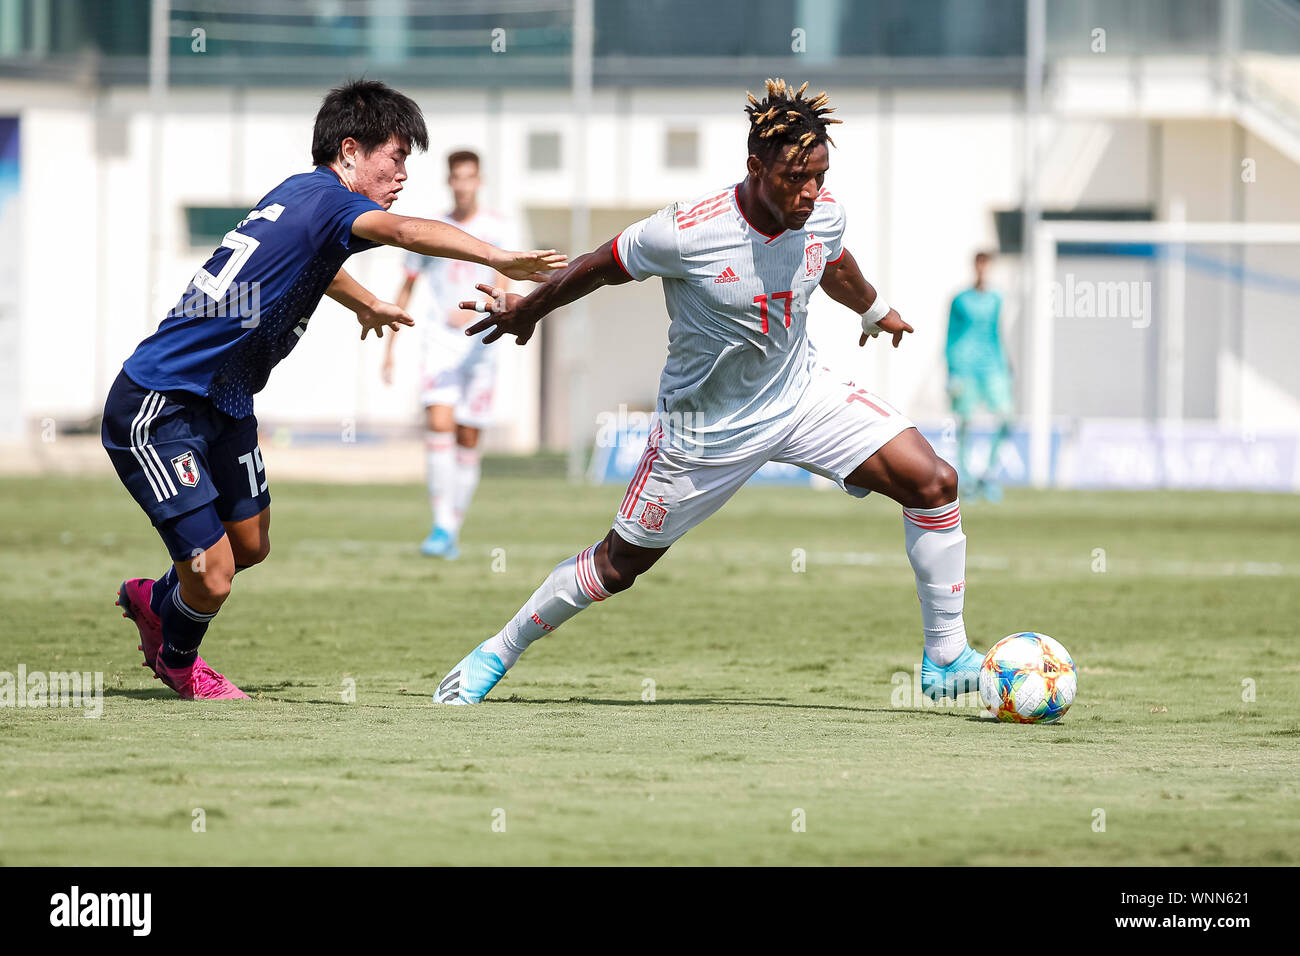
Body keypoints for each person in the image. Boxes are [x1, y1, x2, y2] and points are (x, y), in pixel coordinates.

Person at [434, 78, 982, 707]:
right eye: (795, 178)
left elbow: (833, 261)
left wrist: (875, 309)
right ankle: (497, 651)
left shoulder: (821, 213)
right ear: (755, 167)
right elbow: (595, 265)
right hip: (702, 430)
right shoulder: (685, 231)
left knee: (934, 481)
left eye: (820, 177)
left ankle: (944, 658)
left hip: (801, 396)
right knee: (619, 566)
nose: (810, 193)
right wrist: (530, 309)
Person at [105, 80, 564, 700]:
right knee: (213, 578)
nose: (403, 173)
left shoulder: (305, 198)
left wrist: (366, 302)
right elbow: (404, 232)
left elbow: (313, 262)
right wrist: (498, 257)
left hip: (225, 402)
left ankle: (156, 598)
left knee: (249, 544)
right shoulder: (328, 202)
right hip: (163, 404)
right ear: (350, 149)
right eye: (395, 156)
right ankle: (179, 662)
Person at [381, 150, 519, 559]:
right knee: (439, 426)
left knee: (468, 435)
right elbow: (407, 285)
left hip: (481, 344)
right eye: (457, 177)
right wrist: (390, 347)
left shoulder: (497, 228)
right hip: (439, 344)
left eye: (470, 177)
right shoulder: (432, 231)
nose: (463, 184)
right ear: (449, 181)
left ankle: (452, 527)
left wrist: (495, 306)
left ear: (479, 181)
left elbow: (504, 273)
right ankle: (441, 525)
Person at [946, 251, 1013, 502]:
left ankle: (988, 474)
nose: (983, 270)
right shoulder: (960, 299)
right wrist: (951, 371)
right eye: (980, 265)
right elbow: (950, 335)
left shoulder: (996, 299)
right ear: (975, 266)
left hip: (993, 365)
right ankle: (967, 479)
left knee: (1006, 417)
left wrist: (1007, 364)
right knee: (965, 421)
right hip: (964, 365)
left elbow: (997, 333)